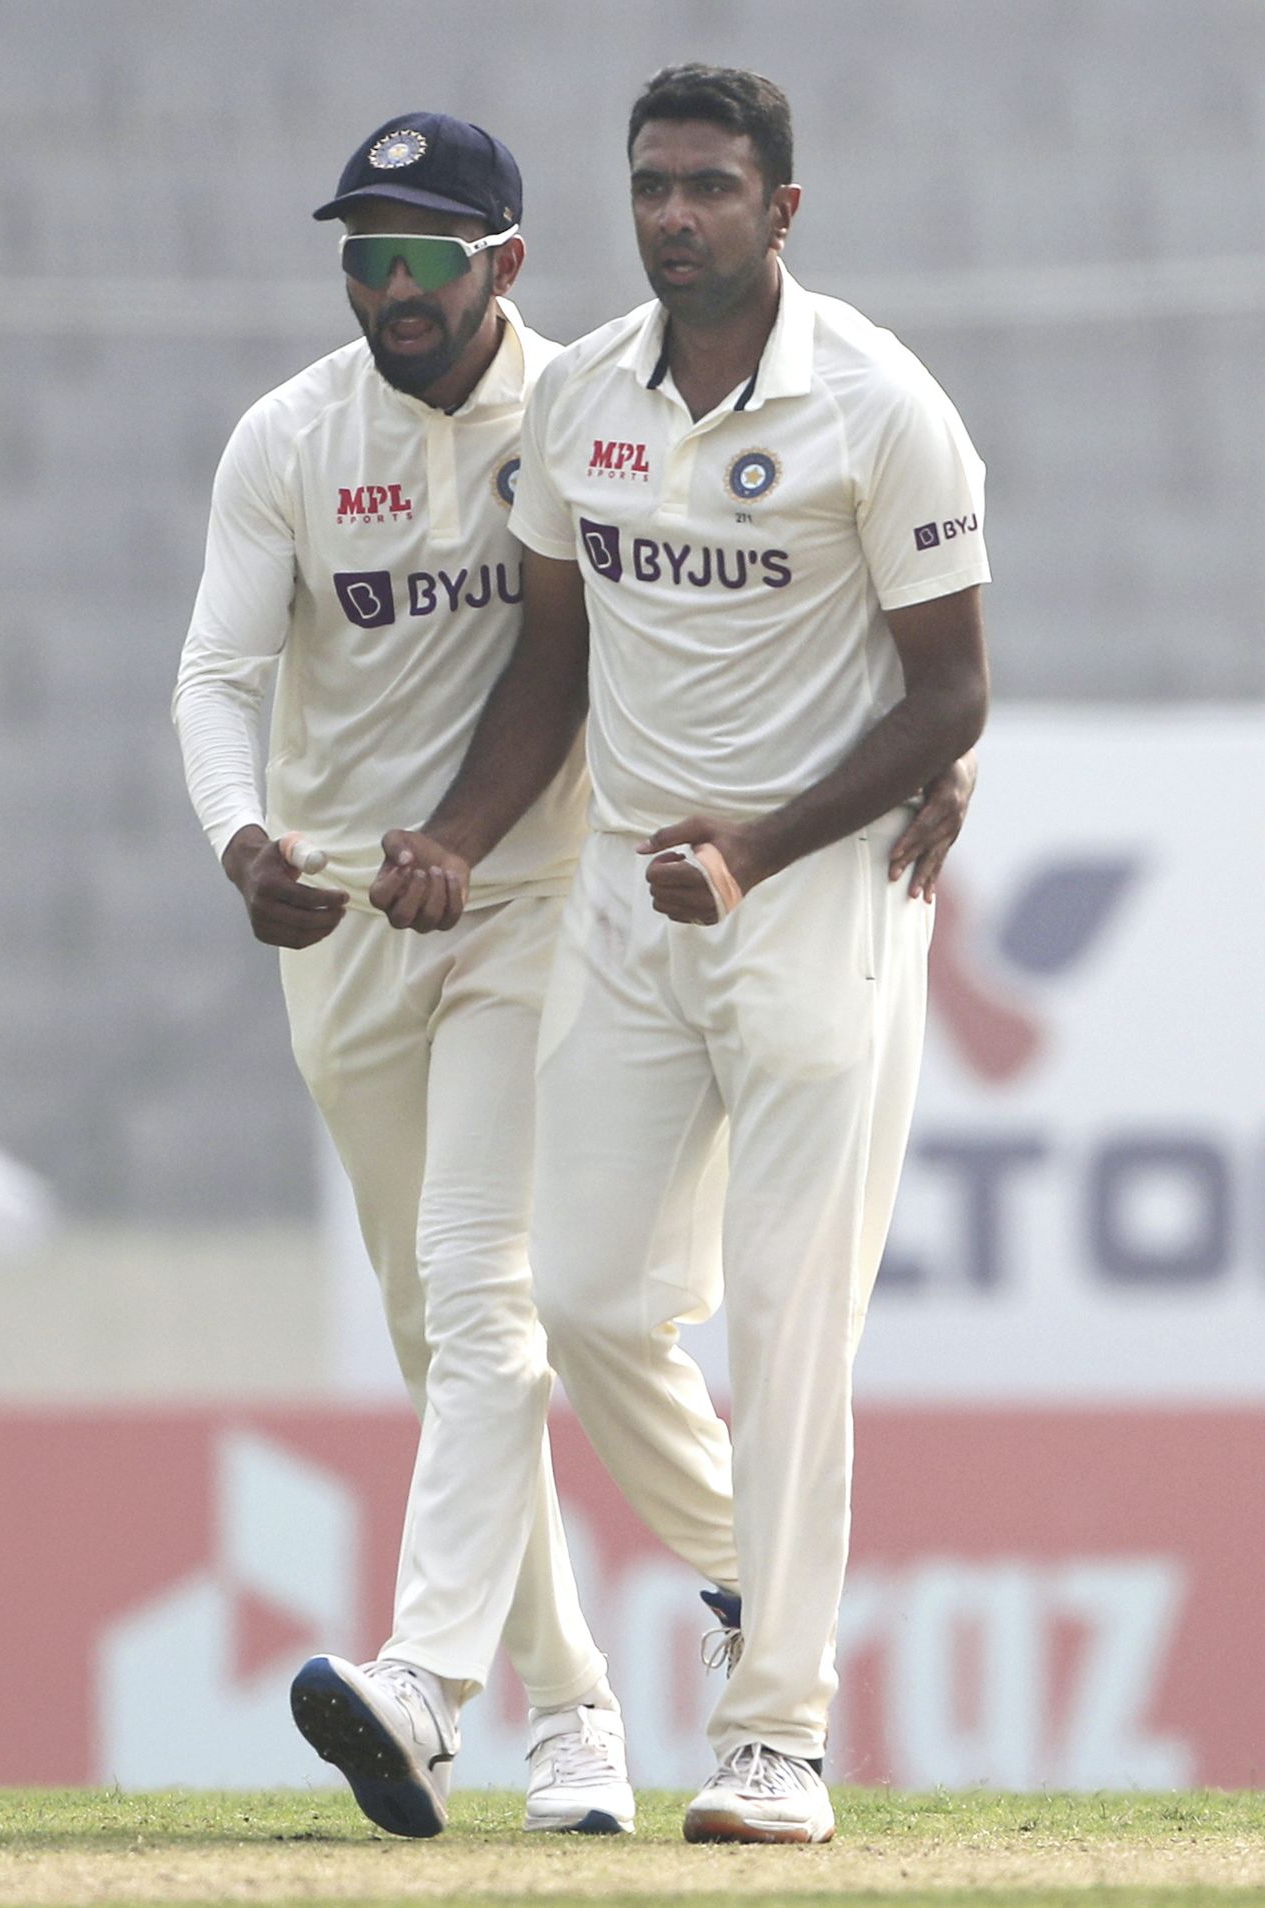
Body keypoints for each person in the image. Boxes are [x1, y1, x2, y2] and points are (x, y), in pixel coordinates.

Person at [370, 65, 991, 1847]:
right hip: (634, 910)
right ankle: (752, 1571)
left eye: (711, 189)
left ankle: (775, 1737)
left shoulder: (882, 406)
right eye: (651, 188)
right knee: (578, 1299)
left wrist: (763, 846)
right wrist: (461, 840)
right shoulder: (577, 401)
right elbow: (550, 667)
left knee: (796, 1321)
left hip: (812, 904)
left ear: (780, 211)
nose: (675, 218)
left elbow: (950, 693)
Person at [173, 112, 638, 1841]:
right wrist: (241, 843)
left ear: (503, 264)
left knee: (480, 1284)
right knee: (435, 1331)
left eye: (422, 253)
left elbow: (587, 658)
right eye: (361, 252)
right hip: (344, 923)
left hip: (531, 904)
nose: (387, 285)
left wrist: (465, 835)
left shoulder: (587, 413)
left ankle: (422, 1679)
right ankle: (578, 1711)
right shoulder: (291, 436)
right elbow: (216, 678)